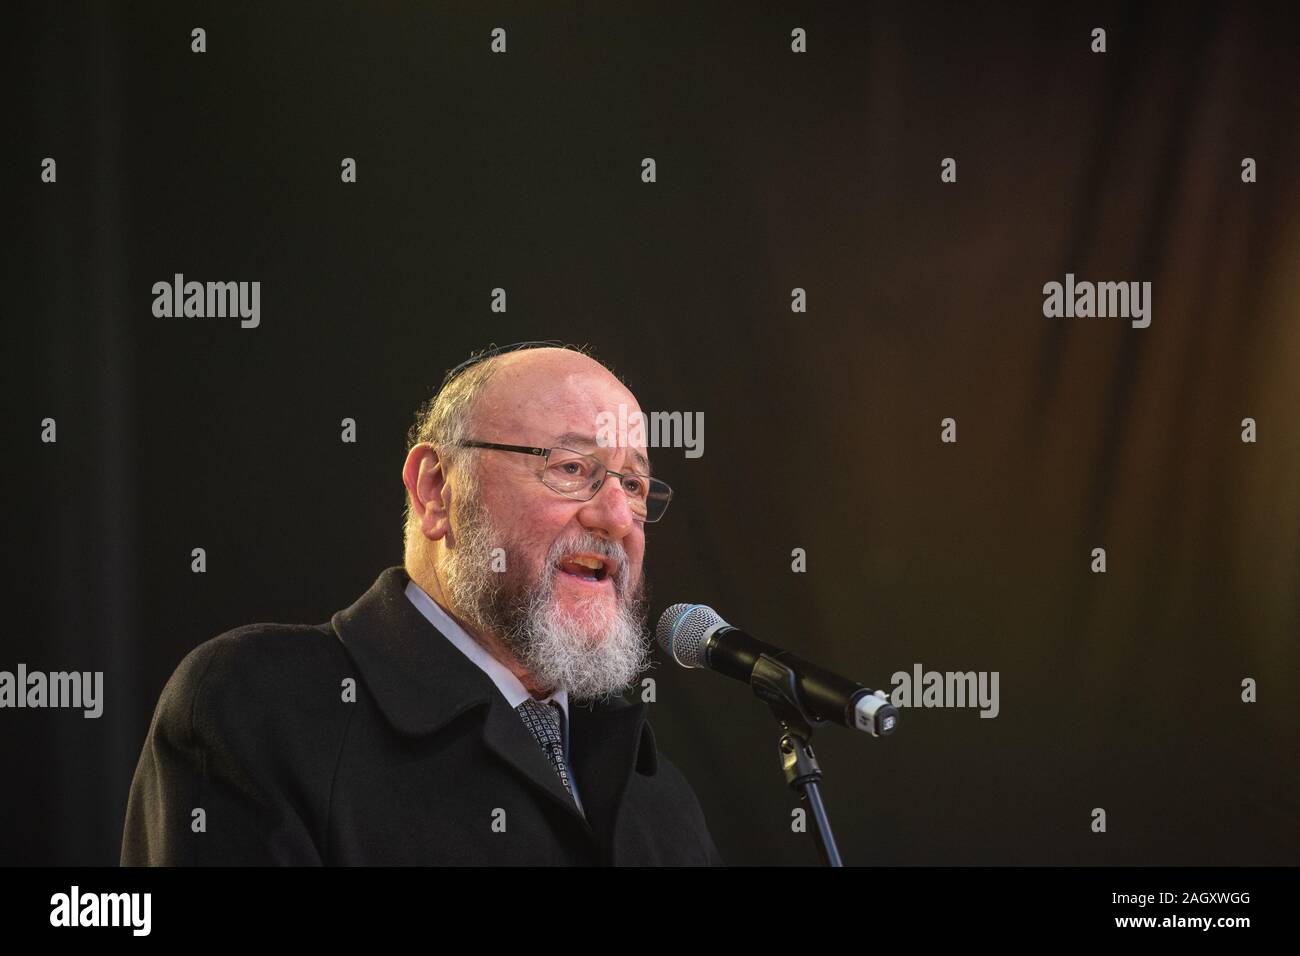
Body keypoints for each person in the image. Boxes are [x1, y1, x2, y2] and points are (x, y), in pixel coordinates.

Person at [120, 341, 723, 865]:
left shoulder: (657, 795)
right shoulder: (261, 706)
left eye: (634, 484)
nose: (617, 517)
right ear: (437, 490)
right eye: (571, 467)